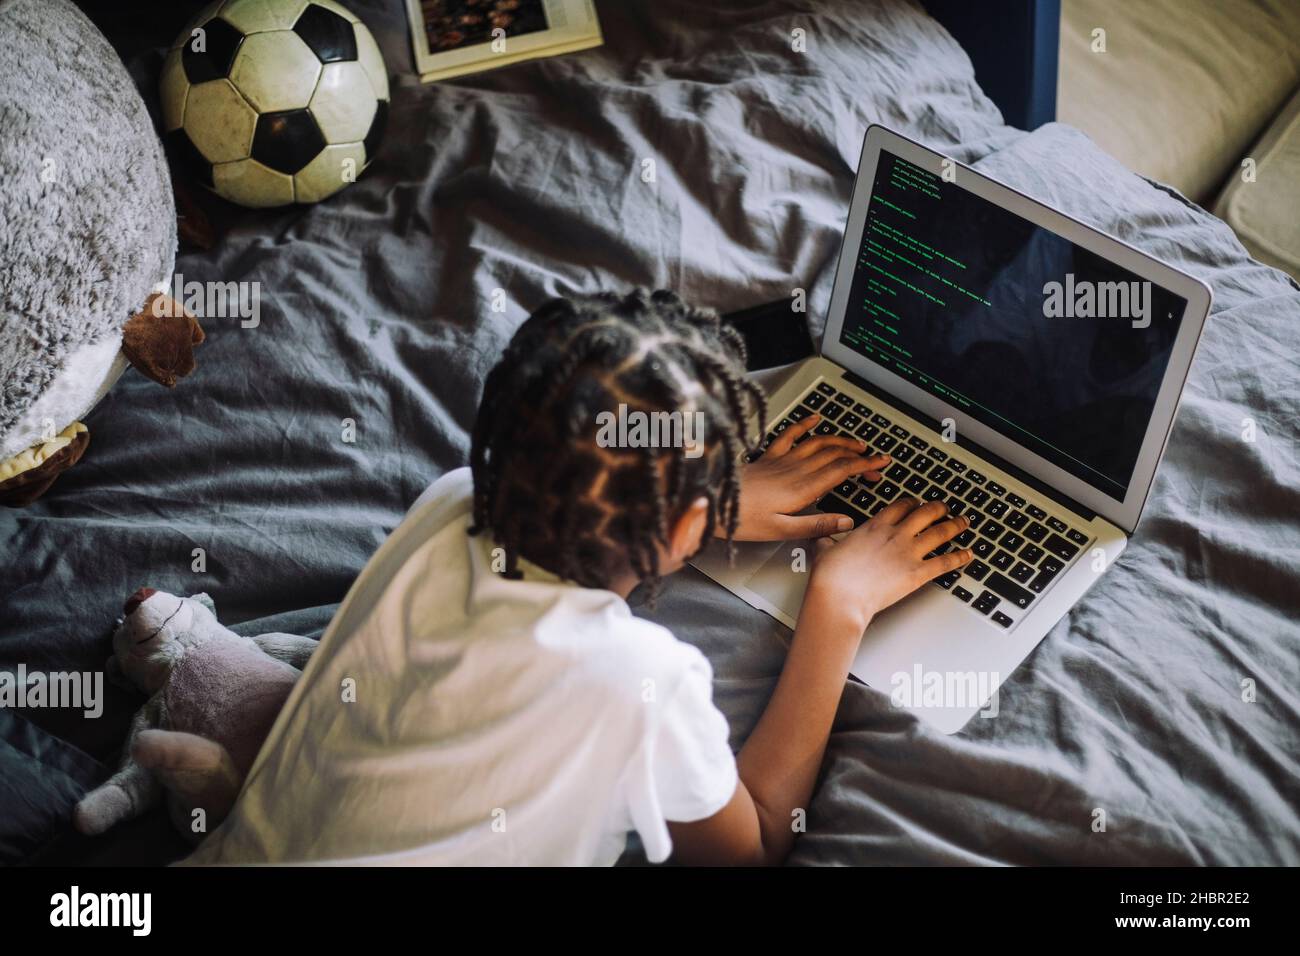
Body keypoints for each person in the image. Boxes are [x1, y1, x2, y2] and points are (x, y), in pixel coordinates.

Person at [185, 288, 972, 866]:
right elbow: (754, 845)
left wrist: (690, 511)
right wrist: (838, 606)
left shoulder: (451, 501)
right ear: (685, 526)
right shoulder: (642, 678)